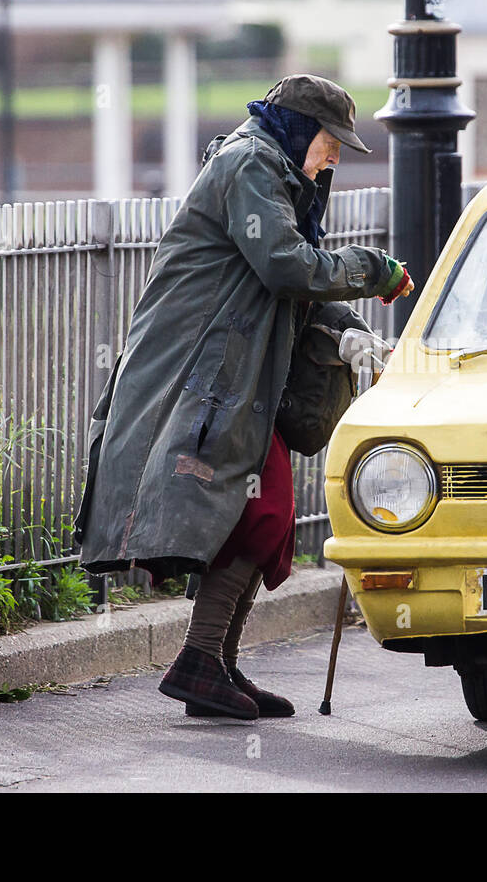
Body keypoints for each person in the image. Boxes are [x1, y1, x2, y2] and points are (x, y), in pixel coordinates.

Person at [74, 73, 413, 720]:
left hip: (234, 381)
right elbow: (286, 264)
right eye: (330, 139)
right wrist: (372, 270)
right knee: (267, 509)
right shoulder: (251, 162)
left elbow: (292, 286)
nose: (336, 153)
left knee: (264, 514)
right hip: (200, 379)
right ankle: (201, 661)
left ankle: (215, 663)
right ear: (296, 129)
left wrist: (350, 336)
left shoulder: (279, 173)